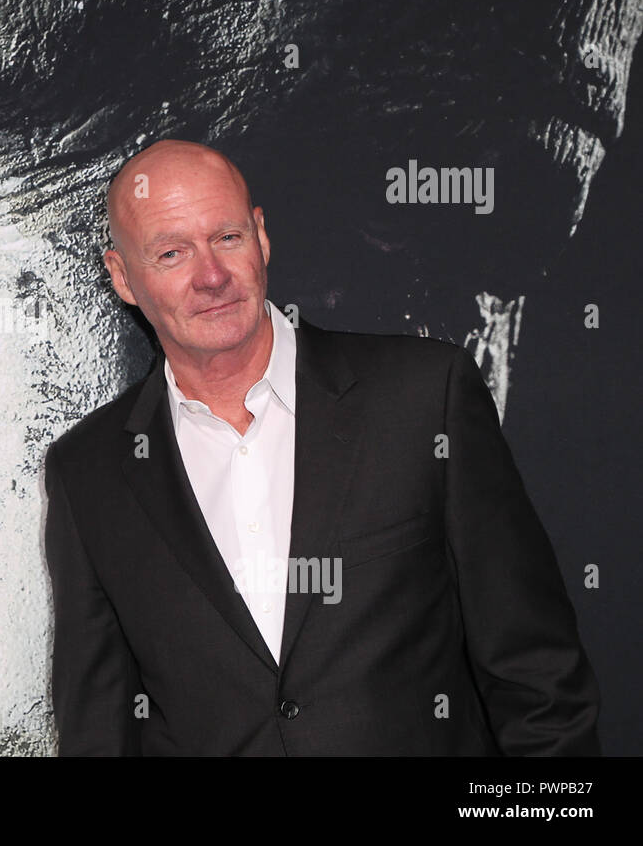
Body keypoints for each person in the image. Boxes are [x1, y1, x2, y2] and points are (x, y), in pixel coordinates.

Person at [43, 139, 600, 755]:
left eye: (227, 238)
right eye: (172, 252)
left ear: (261, 237)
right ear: (123, 277)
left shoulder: (422, 399)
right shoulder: (88, 473)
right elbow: (98, 730)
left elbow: (537, 677)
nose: (211, 276)